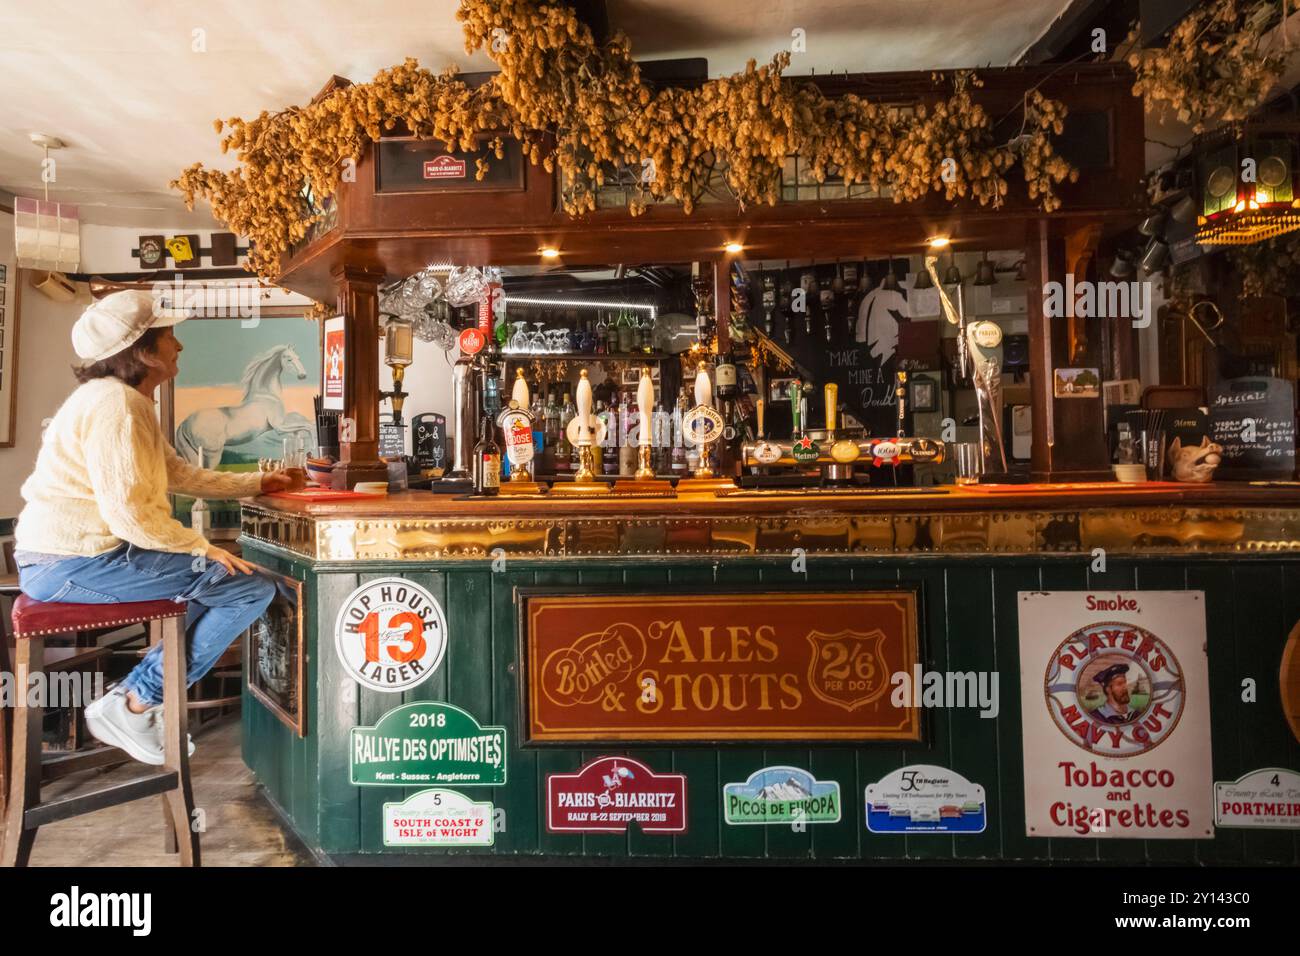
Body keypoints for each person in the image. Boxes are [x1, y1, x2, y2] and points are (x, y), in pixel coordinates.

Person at [13, 290, 305, 765]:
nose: (179, 346)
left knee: (222, 584)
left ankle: (130, 700)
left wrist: (257, 481)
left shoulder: (125, 402)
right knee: (248, 590)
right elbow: (128, 513)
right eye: (169, 335)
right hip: (74, 562)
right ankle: (135, 702)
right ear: (144, 352)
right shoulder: (116, 407)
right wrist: (201, 549)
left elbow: (179, 474)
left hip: (68, 559)